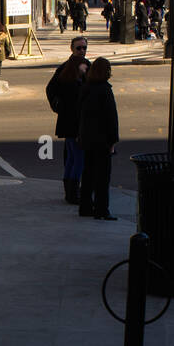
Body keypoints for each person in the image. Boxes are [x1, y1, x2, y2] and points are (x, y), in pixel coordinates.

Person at [46, 35, 89, 204]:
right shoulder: (65, 68)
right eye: (79, 48)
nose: (82, 51)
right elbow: (51, 89)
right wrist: (58, 106)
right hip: (72, 121)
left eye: (84, 47)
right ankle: (73, 192)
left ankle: (71, 191)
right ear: (72, 49)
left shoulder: (89, 67)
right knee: (76, 158)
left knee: (73, 157)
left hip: (78, 121)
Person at [77, 56, 119, 221]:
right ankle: (102, 209)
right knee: (102, 177)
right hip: (102, 140)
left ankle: (85, 206)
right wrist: (113, 141)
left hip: (87, 138)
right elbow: (111, 118)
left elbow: (79, 113)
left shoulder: (86, 88)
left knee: (88, 174)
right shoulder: (105, 90)